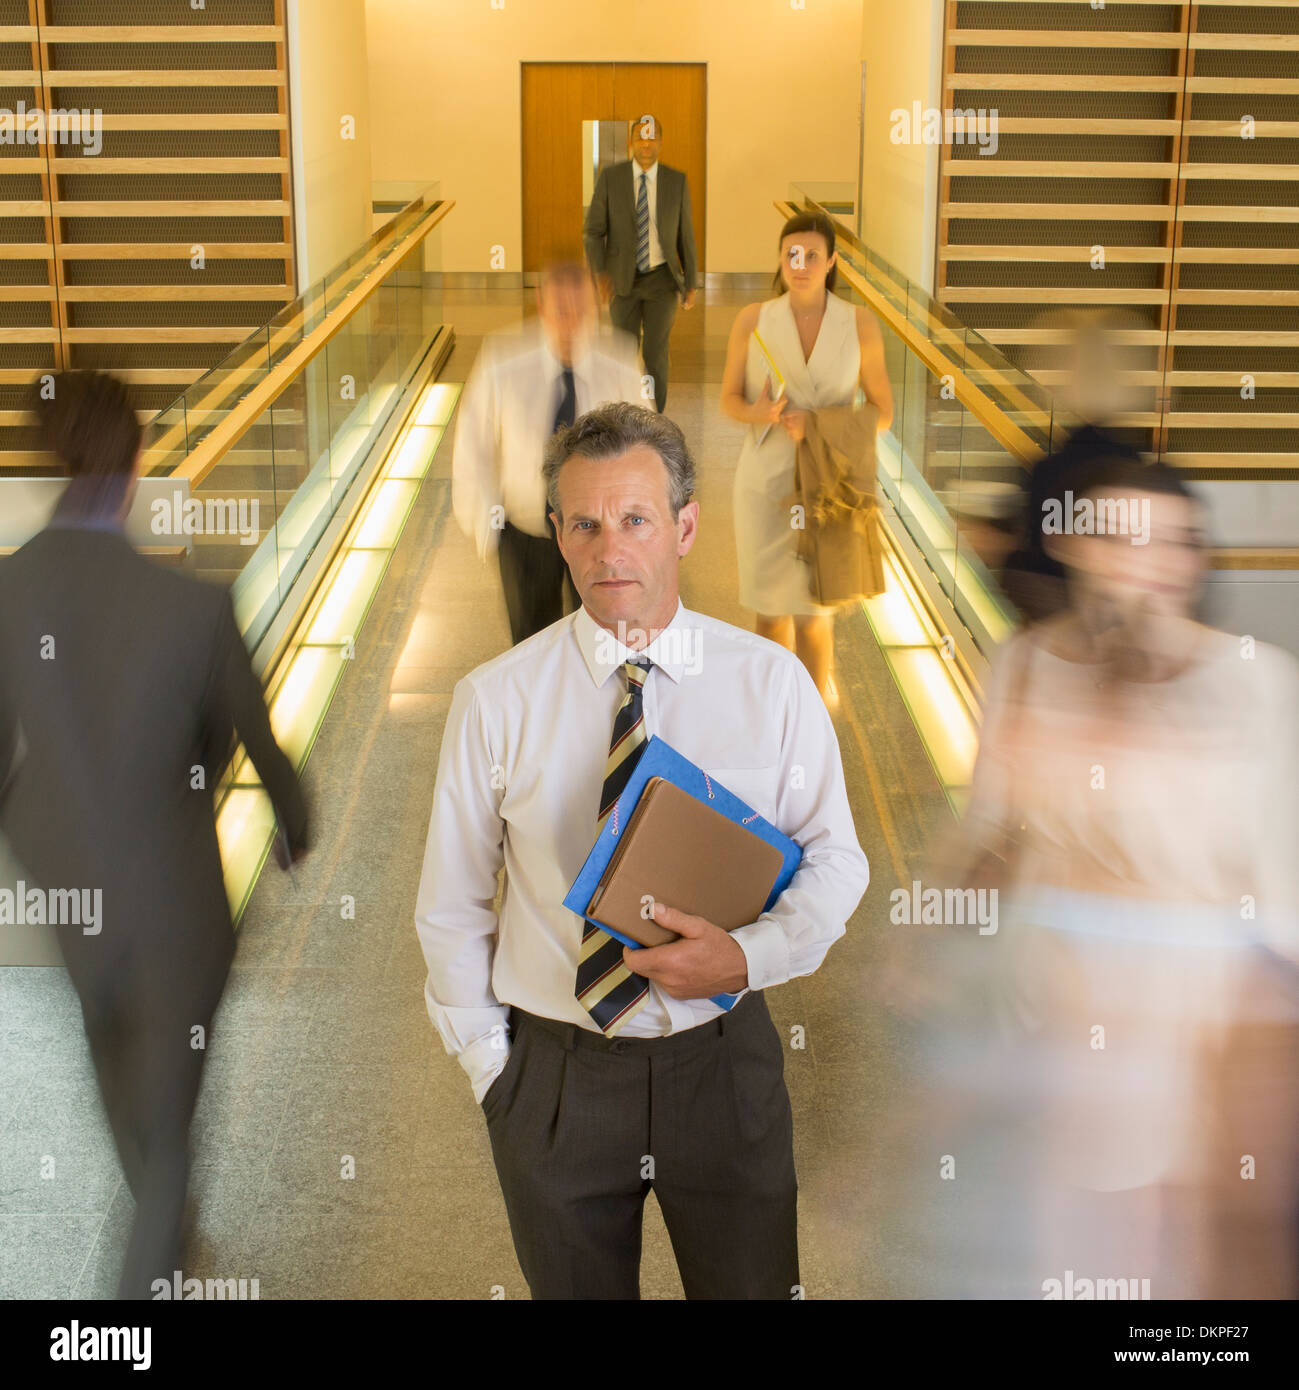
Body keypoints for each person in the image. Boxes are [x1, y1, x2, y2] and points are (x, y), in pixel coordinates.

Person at [415, 401, 869, 1299]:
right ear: (555, 533)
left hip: (721, 1064)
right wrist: (492, 1071)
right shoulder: (493, 698)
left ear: (685, 527)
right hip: (554, 1074)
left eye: (635, 520)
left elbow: (836, 859)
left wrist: (748, 955)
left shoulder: (768, 684)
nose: (608, 549)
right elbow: (452, 899)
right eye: (582, 524)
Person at [900, 458, 1299, 1297]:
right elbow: (991, 827)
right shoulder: (1028, 666)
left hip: (1198, 1030)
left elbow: (1280, 894)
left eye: (1164, 543)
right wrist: (928, 942)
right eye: (1116, 539)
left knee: (1188, 1250)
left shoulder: (1258, 684)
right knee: (1077, 1235)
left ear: (1192, 560)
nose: (1139, 562)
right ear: (1070, 547)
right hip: (1063, 1019)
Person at [0, 370, 309, 1299]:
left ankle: (161, 1234)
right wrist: (293, 824)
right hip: (177, 904)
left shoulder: (8, 591)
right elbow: (253, 745)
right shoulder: (194, 609)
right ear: (137, 468)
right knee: (170, 1122)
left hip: (67, 890)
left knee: (116, 1058)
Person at [721, 210, 893, 707]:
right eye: (792, 254)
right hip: (765, 485)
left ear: (832, 260)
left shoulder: (859, 324)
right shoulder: (753, 320)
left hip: (829, 484)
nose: (800, 264)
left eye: (812, 255)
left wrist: (816, 425)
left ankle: (812, 718)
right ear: (781, 259)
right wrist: (759, 412)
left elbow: (883, 412)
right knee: (771, 610)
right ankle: (774, 715)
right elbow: (729, 399)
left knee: (816, 611)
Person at [453, 260, 644, 645]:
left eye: (581, 310)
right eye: (561, 309)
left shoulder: (620, 361)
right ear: (542, 305)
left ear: (597, 308)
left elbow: (645, 448)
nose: (571, 320)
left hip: (600, 533)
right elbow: (474, 446)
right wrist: (490, 529)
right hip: (525, 530)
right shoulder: (502, 358)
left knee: (601, 639)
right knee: (530, 643)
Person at [582, 114, 697, 413]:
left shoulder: (676, 180)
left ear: (661, 141)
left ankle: (654, 415)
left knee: (656, 353)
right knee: (622, 351)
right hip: (623, 280)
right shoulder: (611, 177)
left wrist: (691, 282)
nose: (646, 143)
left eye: (652, 137)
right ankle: (624, 412)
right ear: (630, 141)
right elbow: (593, 231)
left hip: (663, 280)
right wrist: (600, 274)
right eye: (640, 137)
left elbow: (686, 235)